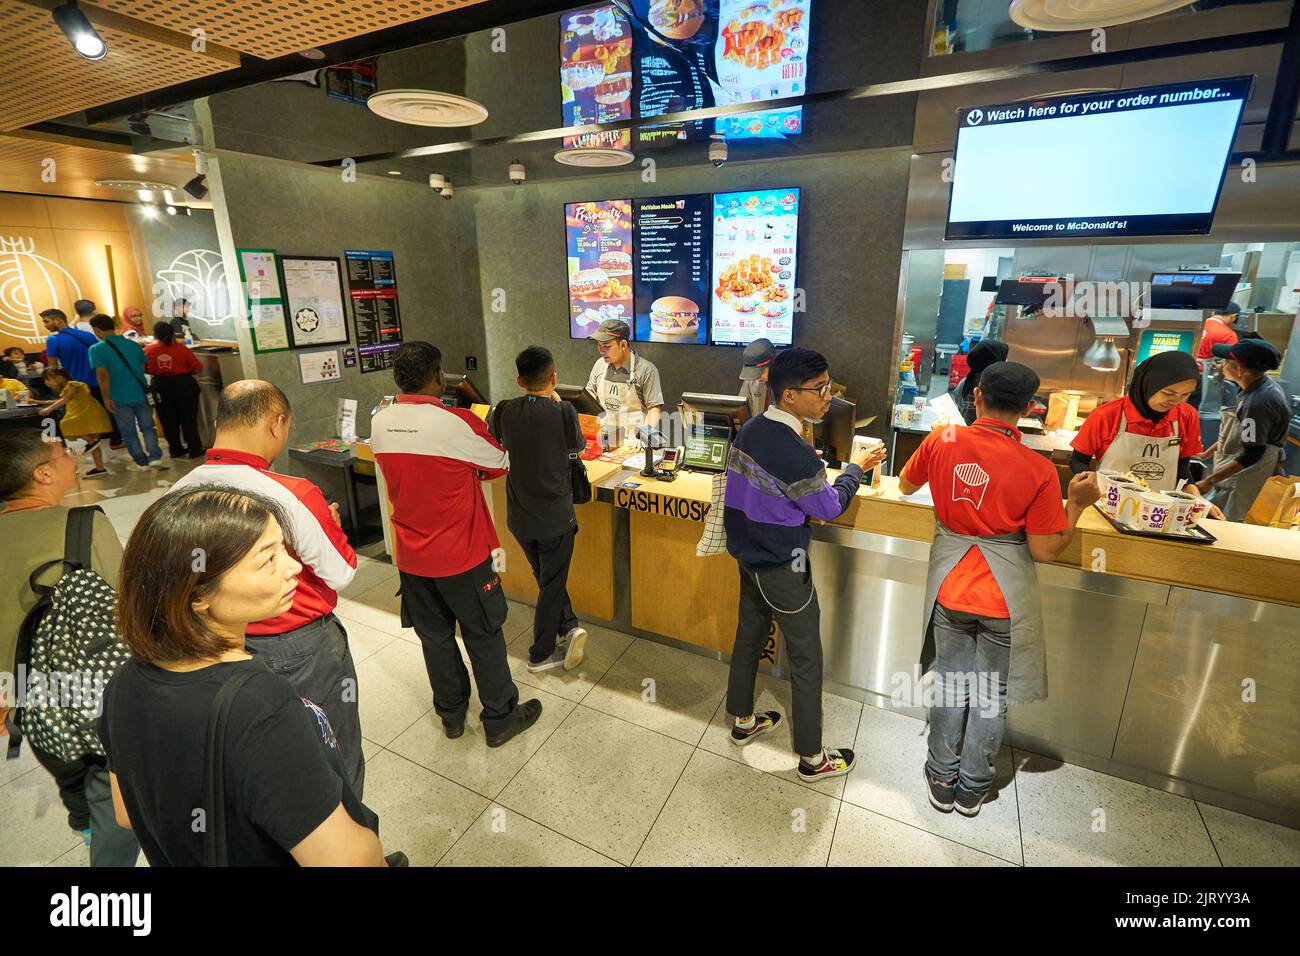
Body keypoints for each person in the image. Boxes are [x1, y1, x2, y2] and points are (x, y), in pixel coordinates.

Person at [101, 487, 390, 866]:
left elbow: (126, 812)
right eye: (267, 559)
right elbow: (349, 861)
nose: (294, 567)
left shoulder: (123, 683)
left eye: (283, 549)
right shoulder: (260, 707)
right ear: (197, 594)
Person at [898, 362, 1101, 817]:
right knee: (989, 693)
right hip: (1004, 598)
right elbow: (1046, 551)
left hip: (950, 586)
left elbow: (908, 484)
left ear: (976, 394)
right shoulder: (1039, 466)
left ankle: (940, 776)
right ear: (1031, 408)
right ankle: (972, 787)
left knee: (951, 685)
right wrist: (1079, 505)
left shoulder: (942, 438)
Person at [168, 380, 365, 794]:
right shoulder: (291, 494)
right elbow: (341, 573)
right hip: (298, 646)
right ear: (276, 424)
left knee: (264, 756)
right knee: (332, 754)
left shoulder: (175, 493)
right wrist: (326, 523)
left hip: (216, 644)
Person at [722, 347, 887, 781]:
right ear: (789, 396)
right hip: (782, 565)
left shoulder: (751, 429)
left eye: (829, 386)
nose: (828, 397)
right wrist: (855, 468)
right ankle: (813, 759)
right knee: (806, 656)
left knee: (748, 636)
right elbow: (829, 505)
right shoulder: (791, 450)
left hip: (748, 557)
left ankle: (742, 722)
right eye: (819, 389)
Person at [371, 342, 542, 747]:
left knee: (435, 637)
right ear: (437, 377)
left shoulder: (380, 422)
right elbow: (500, 462)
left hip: (412, 556)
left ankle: (451, 715)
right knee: (483, 634)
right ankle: (500, 716)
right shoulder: (455, 422)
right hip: (462, 555)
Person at [0, 430, 139, 865]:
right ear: (41, 474)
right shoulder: (83, 526)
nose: (72, 456)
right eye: (63, 453)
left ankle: (82, 825)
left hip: (20, 695)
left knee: (66, 769)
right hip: (87, 693)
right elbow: (127, 611)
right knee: (116, 806)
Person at [488, 345, 588, 673]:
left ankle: (569, 625)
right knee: (552, 581)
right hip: (556, 517)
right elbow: (578, 445)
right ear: (554, 377)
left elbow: (496, 440)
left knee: (547, 577)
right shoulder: (564, 413)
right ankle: (540, 653)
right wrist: (556, 403)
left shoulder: (503, 410)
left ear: (519, 380)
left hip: (519, 517)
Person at [1069, 350, 1206, 494]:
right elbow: (1078, 461)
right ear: (1148, 384)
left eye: (1186, 394)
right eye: (1168, 393)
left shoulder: (1187, 415)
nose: (1176, 400)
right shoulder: (1106, 415)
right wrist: (1093, 486)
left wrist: (1198, 500)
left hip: (1160, 510)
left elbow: (1182, 468)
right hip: (1108, 502)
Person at [1193, 339, 1289, 522]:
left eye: (1226, 362)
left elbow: (1253, 453)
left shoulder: (1257, 403)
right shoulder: (1260, 386)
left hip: (1250, 470)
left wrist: (1209, 480)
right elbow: (1243, 432)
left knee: (1228, 518)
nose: (1222, 365)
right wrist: (1207, 453)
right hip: (1246, 458)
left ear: (1240, 369)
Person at [88, 313, 165, 472]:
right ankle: (155, 458)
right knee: (148, 428)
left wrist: (106, 397)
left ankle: (141, 462)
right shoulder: (133, 345)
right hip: (141, 392)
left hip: (118, 397)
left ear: (96, 330)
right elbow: (142, 367)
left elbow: (102, 374)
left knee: (129, 432)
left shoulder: (96, 349)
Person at [41, 307, 121, 448]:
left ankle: (92, 440)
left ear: (58, 320)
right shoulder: (87, 335)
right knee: (106, 410)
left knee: (76, 416)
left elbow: (53, 367)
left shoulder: (53, 340)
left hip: (76, 384)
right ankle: (115, 440)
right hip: (97, 379)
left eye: (46, 321)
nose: (45, 325)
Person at [583, 319, 665, 446]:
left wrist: (643, 437)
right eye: (599, 345)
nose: (601, 351)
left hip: (633, 443)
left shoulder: (646, 370)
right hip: (604, 441)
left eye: (606, 346)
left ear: (623, 345)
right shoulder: (599, 365)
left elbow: (654, 408)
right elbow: (589, 397)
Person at [145, 321, 204, 459]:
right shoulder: (182, 349)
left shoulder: (148, 350)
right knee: (188, 418)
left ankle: (175, 449)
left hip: (160, 385)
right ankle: (194, 448)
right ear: (172, 334)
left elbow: (144, 368)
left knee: (167, 420)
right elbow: (198, 368)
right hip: (184, 384)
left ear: (155, 335)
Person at [39, 367, 110, 477]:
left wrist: (49, 409)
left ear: (59, 377)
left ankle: (90, 441)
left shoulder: (73, 385)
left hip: (87, 415)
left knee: (66, 424)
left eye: (47, 379)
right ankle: (99, 467)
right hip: (85, 415)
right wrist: (38, 401)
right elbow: (62, 400)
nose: (46, 383)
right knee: (94, 444)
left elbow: (65, 400)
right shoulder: (68, 387)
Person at [950, 340, 1010, 426]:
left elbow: (959, 404)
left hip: (967, 431)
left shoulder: (967, 381)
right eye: (1004, 358)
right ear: (995, 361)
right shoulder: (997, 387)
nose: (1006, 361)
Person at [738, 338, 776, 419]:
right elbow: (740, 411)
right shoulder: (751, 381)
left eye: (760, 372)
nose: (757, 377)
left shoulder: (788, 384)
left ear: (773, 364)